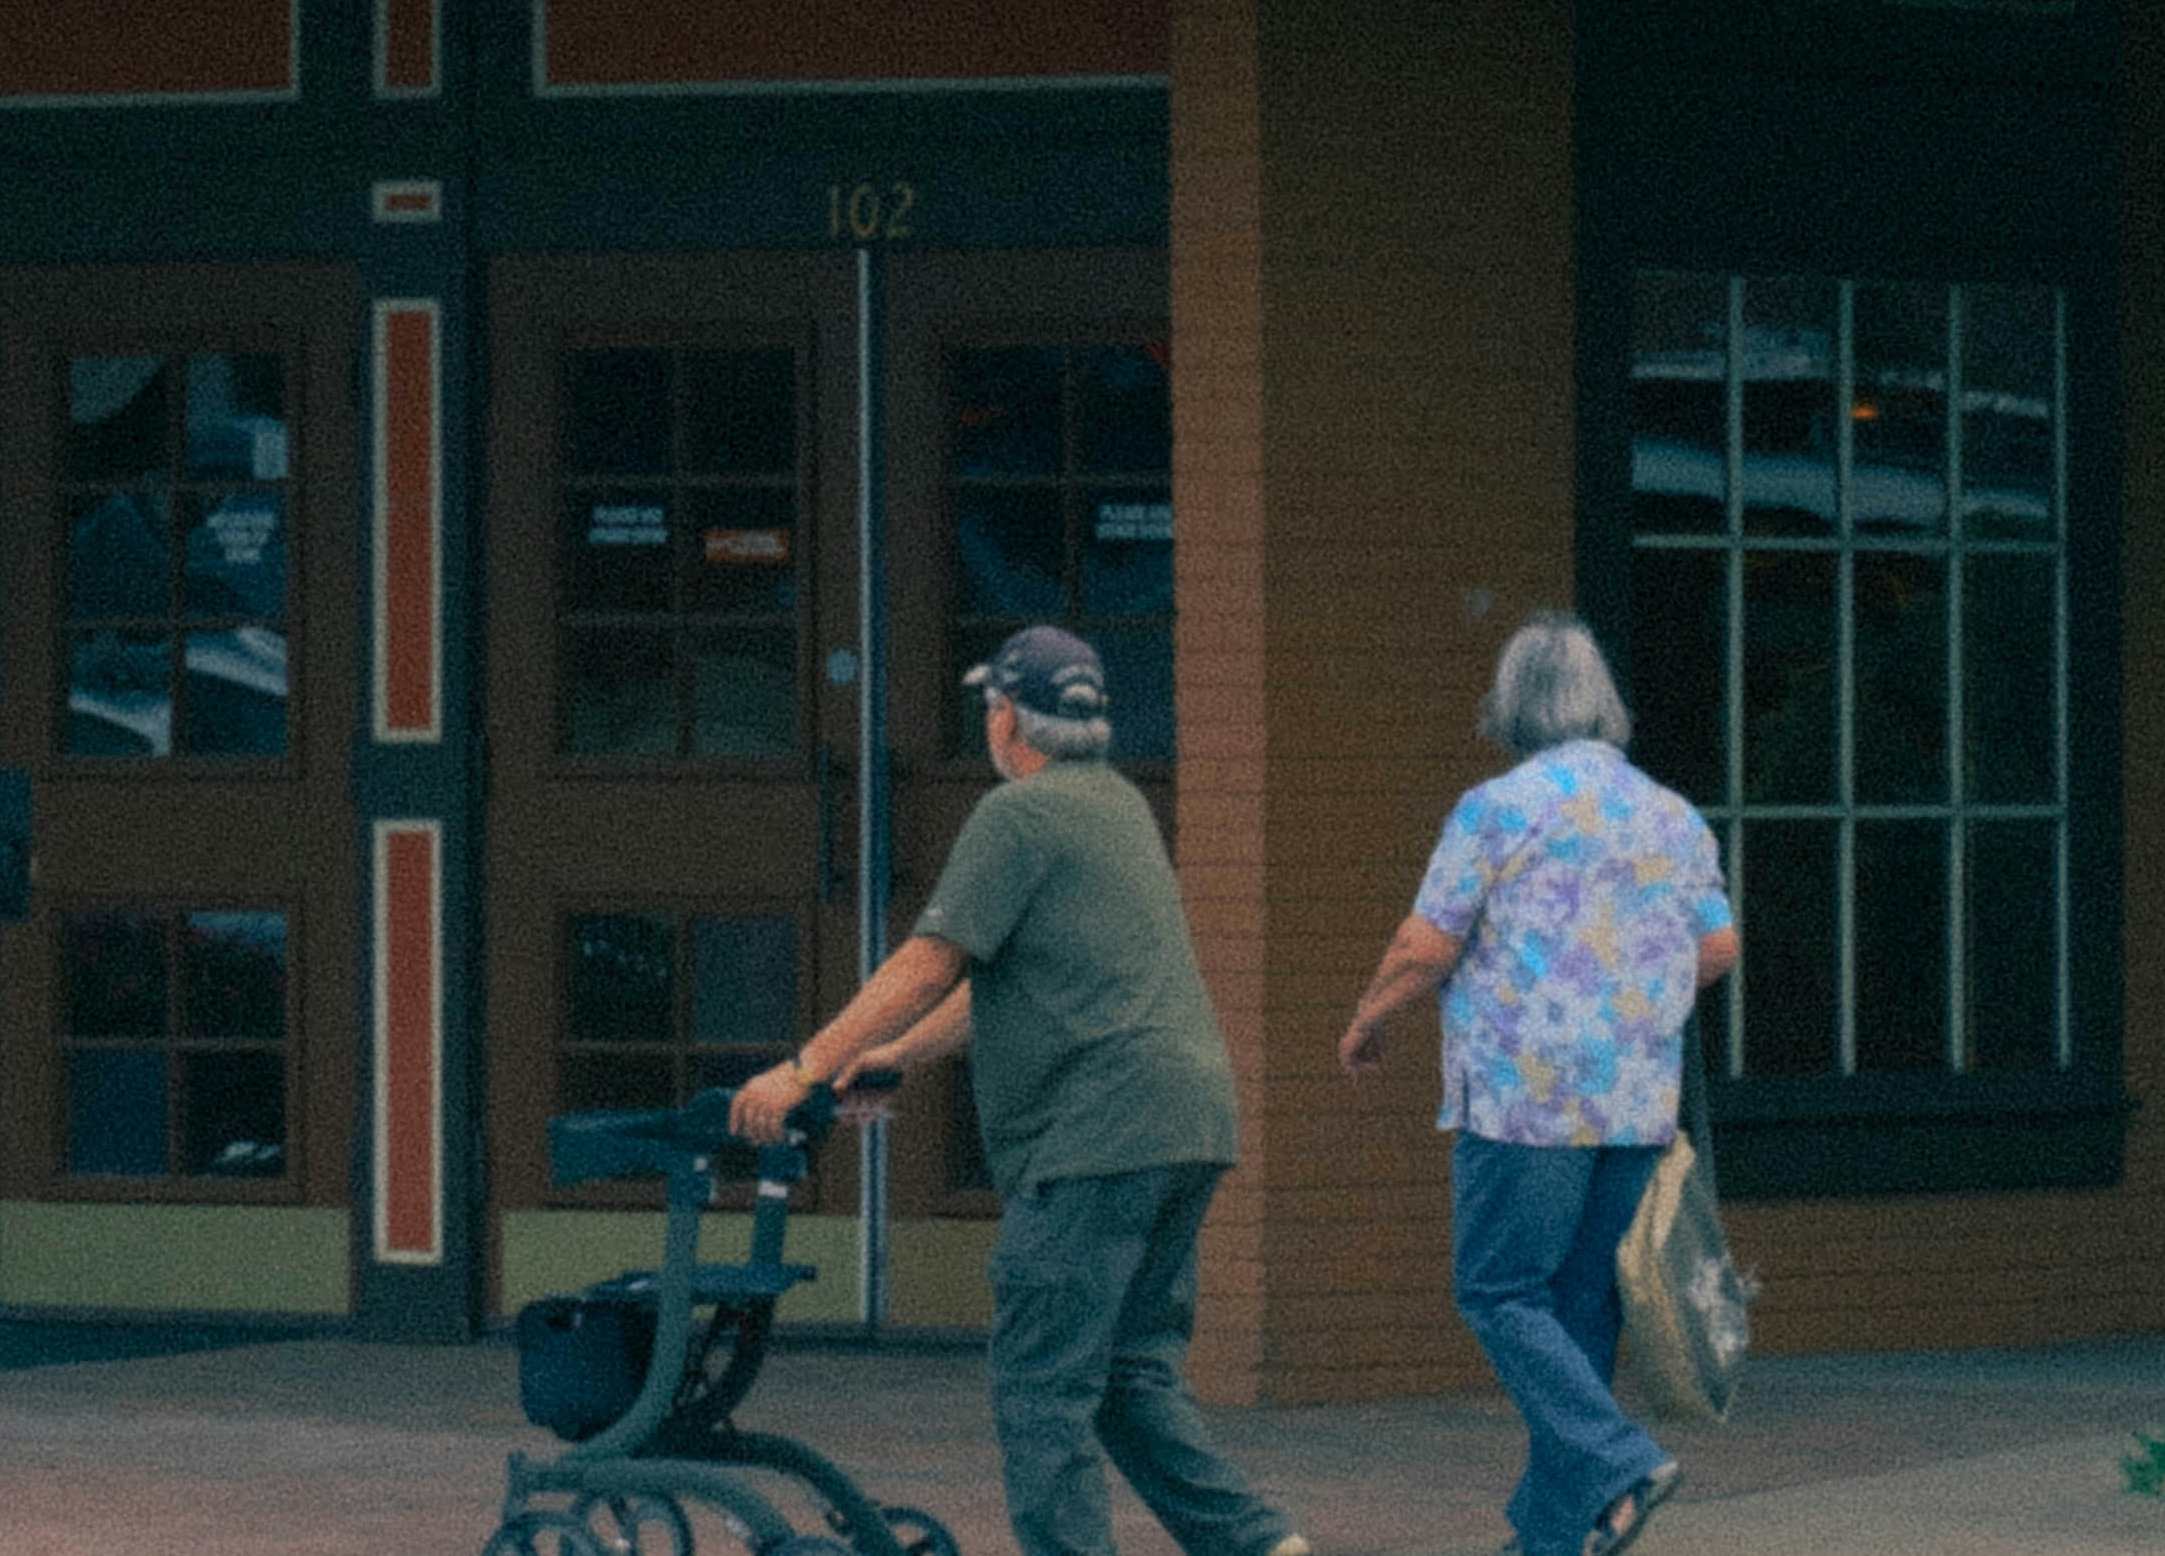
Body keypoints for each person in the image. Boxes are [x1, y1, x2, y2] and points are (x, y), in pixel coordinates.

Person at [733, 625, 1305, 1556]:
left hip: (1094, 1137)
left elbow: (928, 961)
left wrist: (800, 1068)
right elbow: (993, 986)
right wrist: (896, 1058)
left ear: (1008, 717)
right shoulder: (1117, 805)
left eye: (988, 707)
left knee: (1043, 1389)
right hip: (1186, 1121)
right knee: (1129, 1374)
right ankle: (1262, 1544)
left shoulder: (1016, 817)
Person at [1338, 612, 1742, 1556]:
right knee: (1580, 1313)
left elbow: (1425, 944)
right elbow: (1717, 947)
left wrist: (1367, 1019)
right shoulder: (1670, 813)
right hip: (1636, 1101)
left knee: (1498, 1290)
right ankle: (1554, 1540)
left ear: (1510, 705)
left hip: (1526, 1100)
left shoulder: (1497, 808)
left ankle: (1617, 1460)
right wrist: (1631, 993)